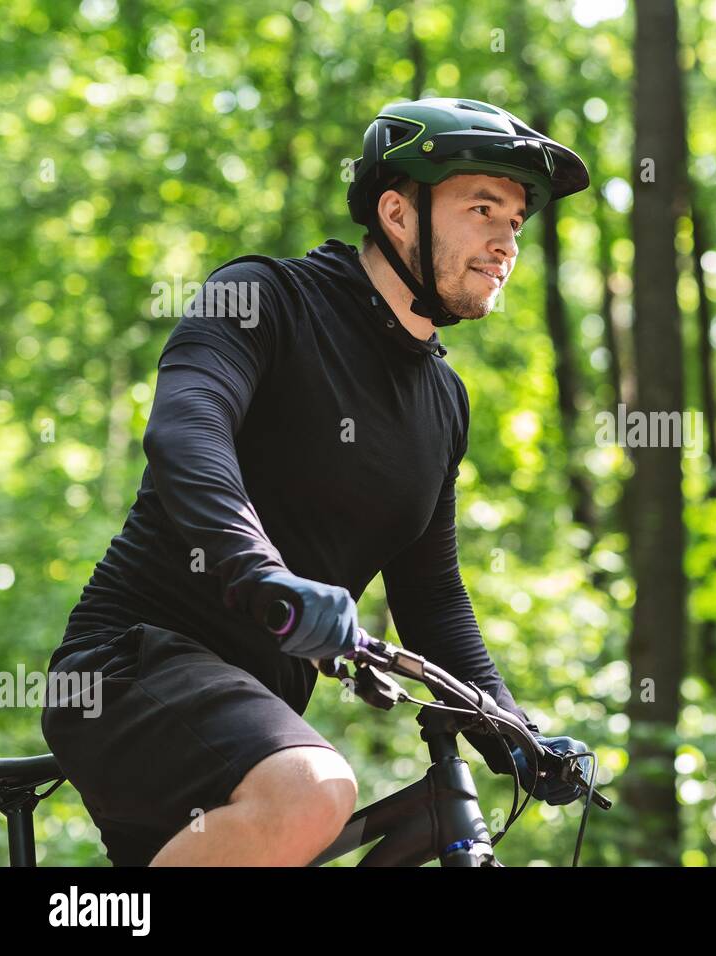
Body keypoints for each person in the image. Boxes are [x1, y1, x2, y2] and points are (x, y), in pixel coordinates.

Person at [40, 97, 593, 866]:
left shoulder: (444, 401)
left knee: (302, 791)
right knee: (313, 789)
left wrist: (513, 734)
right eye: (482, 208)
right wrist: (265, 576)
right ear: (398, 213)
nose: (507, 241)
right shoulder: (268, 299)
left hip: (249, 726)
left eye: (517, 222)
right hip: (127, 670)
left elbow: (430, 597)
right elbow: (185, 431)